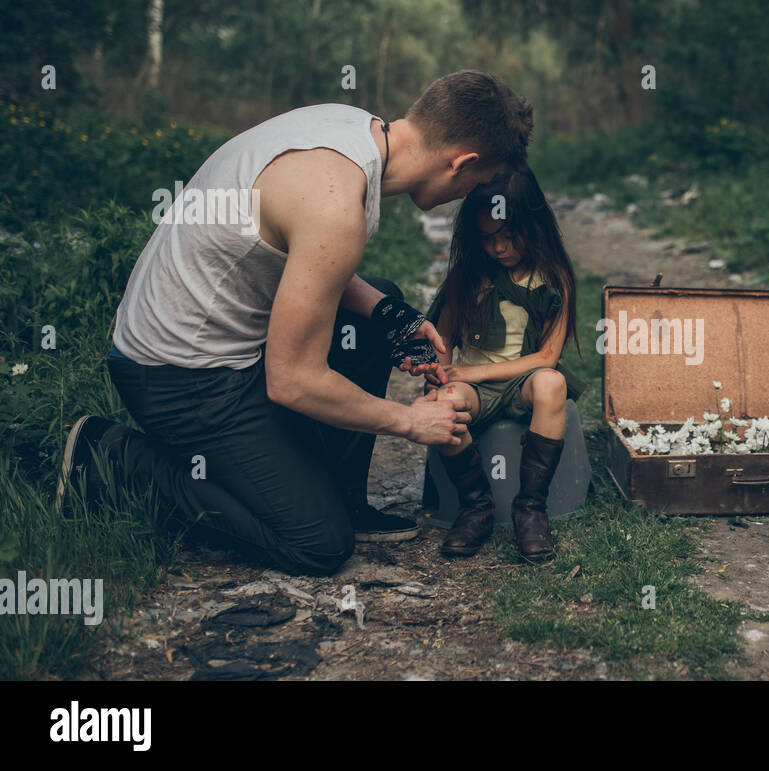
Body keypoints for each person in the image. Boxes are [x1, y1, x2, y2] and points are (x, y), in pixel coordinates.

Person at [55, 71, 533, 576]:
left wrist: (386, 313)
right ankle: (107, 456)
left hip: (212, 346)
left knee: (383, 302)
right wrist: (410, 422)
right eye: (474, 185)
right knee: (318, 544)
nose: (465, 195)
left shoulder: (349, 129)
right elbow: (291, 381)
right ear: (463, 162)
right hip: (180, 378)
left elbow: (306, 255)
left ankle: (339, 496)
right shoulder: (335, 205)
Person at [426, 169, 583, 563]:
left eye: (508, 236)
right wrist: (440, 376)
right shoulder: (468, 277)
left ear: (533, 227)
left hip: (522, 381)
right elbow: (440, 340)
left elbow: (547, 357)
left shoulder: (552, 278)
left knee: (552, 383)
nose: (498, 248)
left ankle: (530, 509)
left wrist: (473, 372)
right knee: (443, 402)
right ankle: (475, 507)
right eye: (487, 239)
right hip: (475, 391)